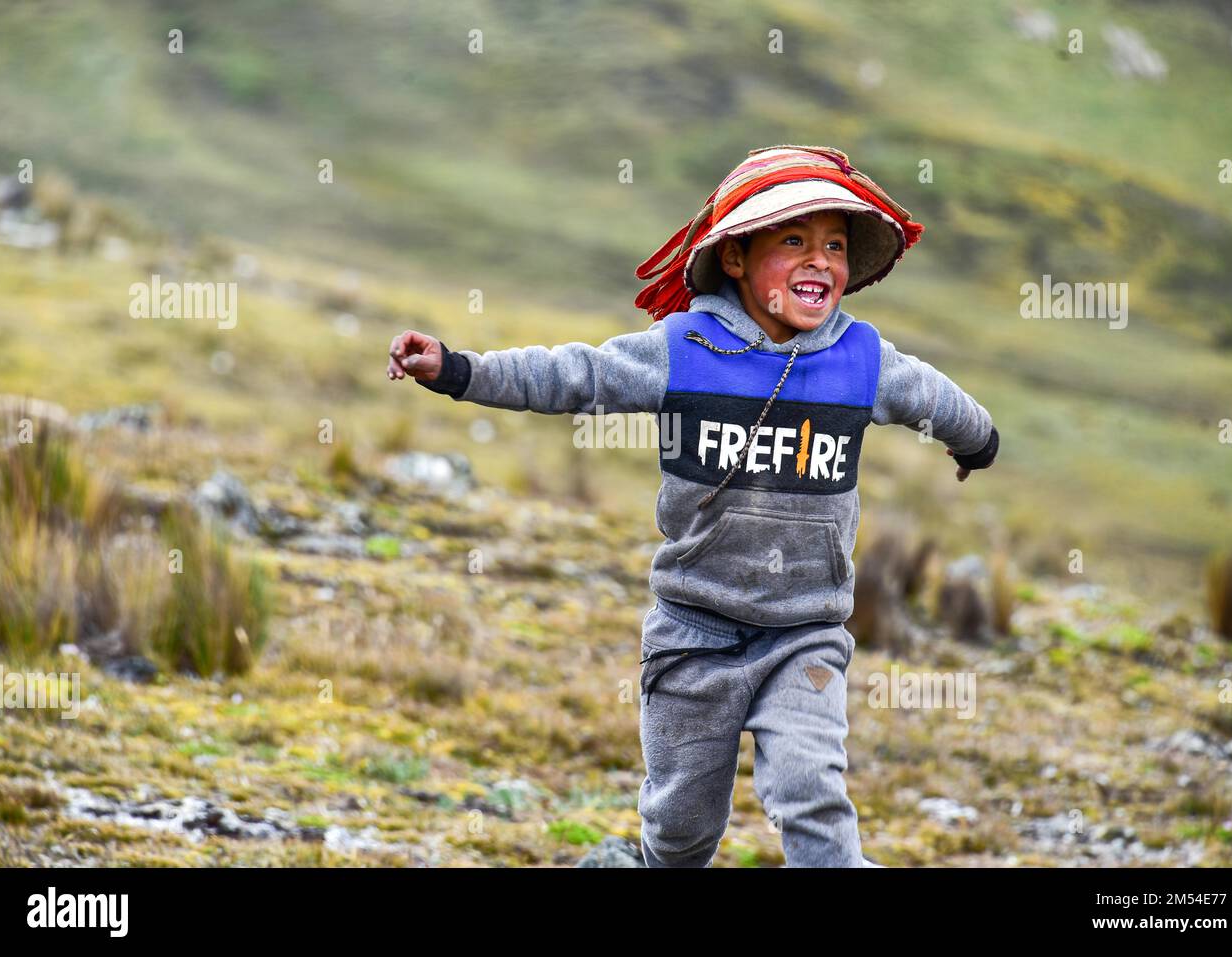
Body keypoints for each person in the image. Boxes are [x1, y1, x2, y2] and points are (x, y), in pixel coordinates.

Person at [387, 145, 999, 867]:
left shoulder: (864, 361)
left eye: (834, 244)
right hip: (692, 633)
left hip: (804, 634)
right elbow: (576, 375)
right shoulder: (685, 347)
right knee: (679, 837)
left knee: (816, 801)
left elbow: (935, 397)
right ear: (736, 257)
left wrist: (978, 440)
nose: (820, 261)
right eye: (794, 241)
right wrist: (458, 369)